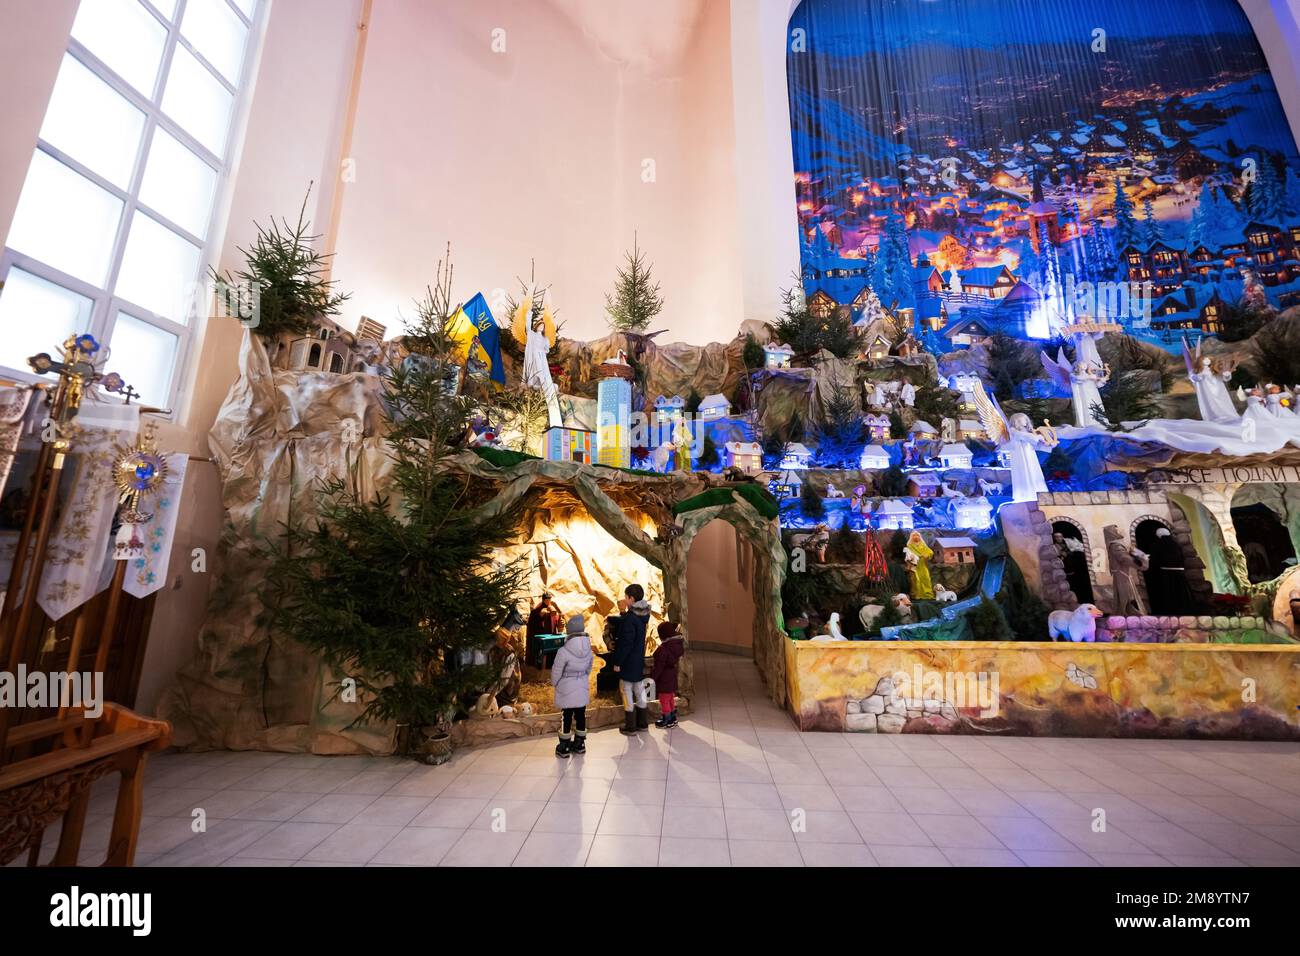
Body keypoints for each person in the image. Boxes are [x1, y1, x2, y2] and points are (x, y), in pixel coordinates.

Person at [610, 583, 652, 735]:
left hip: (627, 662)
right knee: (639, 690)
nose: (624, 599)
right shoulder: (642, 615)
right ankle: (643, 723)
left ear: (631, 598)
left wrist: (617, 662)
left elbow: (626, 643)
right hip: (637, 660)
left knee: (626, 691)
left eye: (626, 597)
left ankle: (630, 726)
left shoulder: (630, 619)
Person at [550, 615, 593, 758]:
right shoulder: (589, 649)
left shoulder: (563, 651)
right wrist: (582, 677)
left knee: (566, 715)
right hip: (581, 685)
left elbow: (557, 670)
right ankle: (580, 743)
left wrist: (555, 683)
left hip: (566, 687)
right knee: (581, 714)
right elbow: (589, 668)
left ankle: (564, 746)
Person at [1146, 527, 1194, 613]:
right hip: (1180, 573)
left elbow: (1155, 560)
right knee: (1182, 594)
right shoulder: (1176, 544)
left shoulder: (1157, 545)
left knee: (1171, 595)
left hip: (1167, 575)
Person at [650, 621, 684, 728]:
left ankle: (667, 720)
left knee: (664, 700)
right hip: (672, 676)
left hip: (664, 678)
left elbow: (659, 667)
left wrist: (652, 678)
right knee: (670, 698)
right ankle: (673, 718)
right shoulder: (675, 646)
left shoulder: (663, 650)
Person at [526, 593, 563, 667]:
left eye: (549, 599)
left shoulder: (553, 612)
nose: (548, 601)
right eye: (546, 599)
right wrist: (540, 616)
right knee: (540, 661)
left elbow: (559, 628)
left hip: (550, 640)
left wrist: (560, 624)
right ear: (543, 600)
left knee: (550, 660)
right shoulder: (536, 612)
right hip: (540, 641)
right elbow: (531, 625)